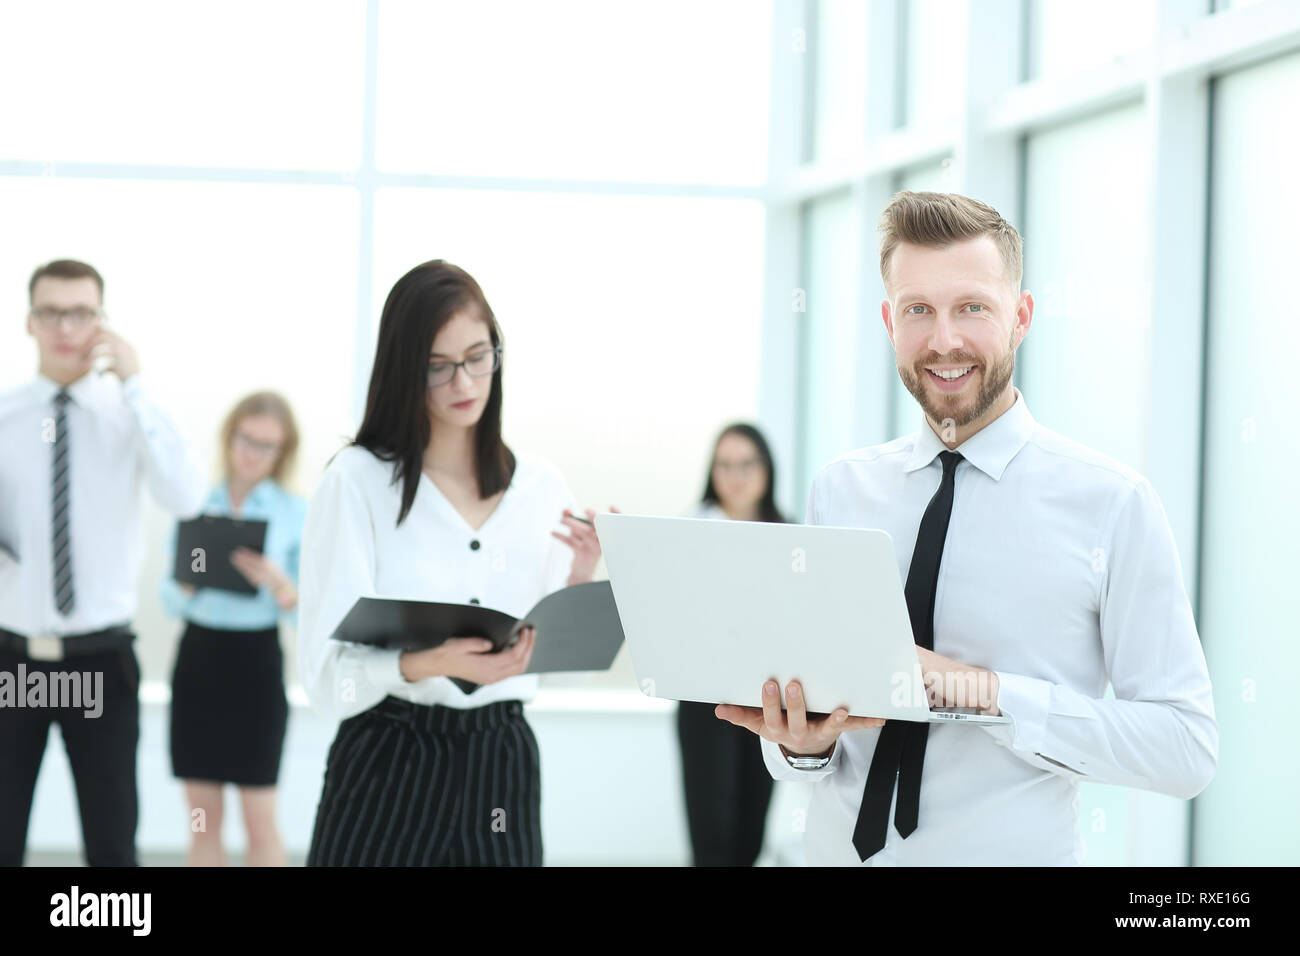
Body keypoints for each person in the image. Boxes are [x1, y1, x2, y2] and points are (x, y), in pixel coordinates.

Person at [717, 191, 1218, 866]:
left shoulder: (1112, 504)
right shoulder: (841, 489)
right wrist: (802, 745)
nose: (944, 339)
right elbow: (817, 755)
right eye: (919, 310)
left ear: (1022, 317)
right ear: (891, 321)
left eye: (972, 307)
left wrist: (989, 694)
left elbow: (1184, 749)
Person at [298, 259, 612, 867]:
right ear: (403, 372)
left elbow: (561, 667)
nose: (464, 383)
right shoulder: (356, 484)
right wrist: (427, 664)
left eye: (477, 356)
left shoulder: (543, 487)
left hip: (501, 759)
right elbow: (325, 678)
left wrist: (583, 575)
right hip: (387, 757)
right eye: (437, 367)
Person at [0, 259, 206, 866]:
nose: (66, 327)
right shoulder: (5, 418)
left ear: (102, 323)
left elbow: (186, 496)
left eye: (82, 313)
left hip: (100, 660)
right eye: (52, 312)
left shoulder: (129, 417)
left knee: (112, 843)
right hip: (14, 660)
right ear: (30, 322)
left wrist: (135, 386)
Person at [160, 391, 306, 866]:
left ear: (281, 453)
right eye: (246, 439)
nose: (252, 453)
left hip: (257, 667)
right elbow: (166, 599)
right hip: (200, 662)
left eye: (267, 446)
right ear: (229, 437)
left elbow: (302, 613)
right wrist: (193, 576)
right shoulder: (195, 501)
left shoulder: (293, 512)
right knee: (203, 821)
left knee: (260, 820)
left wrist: (277, 582)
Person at [676, 423, 784, 866]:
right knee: (711, 833)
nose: (735, 475)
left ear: (766, 469)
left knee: (750, 832)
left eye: (746, 464)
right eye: (724, 465)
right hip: (704, 698)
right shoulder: (688, 532)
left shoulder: (788, 534)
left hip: (767, 701)